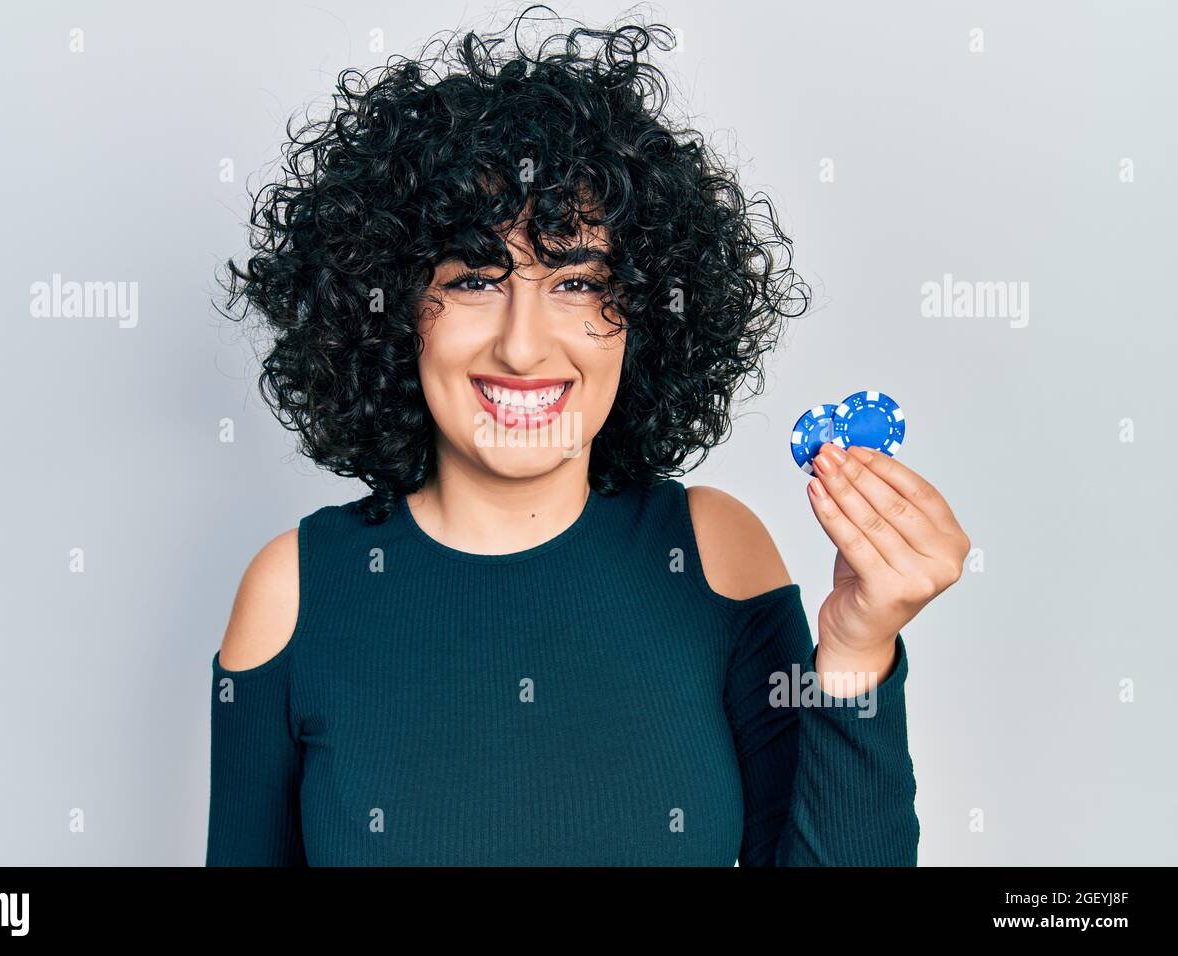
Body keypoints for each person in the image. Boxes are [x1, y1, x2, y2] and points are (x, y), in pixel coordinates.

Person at [206, 6, 969, 866]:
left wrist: (859, 652)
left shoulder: (715, 554)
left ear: (640, 315)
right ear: (391, 310)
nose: (524, 344)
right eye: (473, 281)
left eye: (575, 281)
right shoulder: (294, 592)